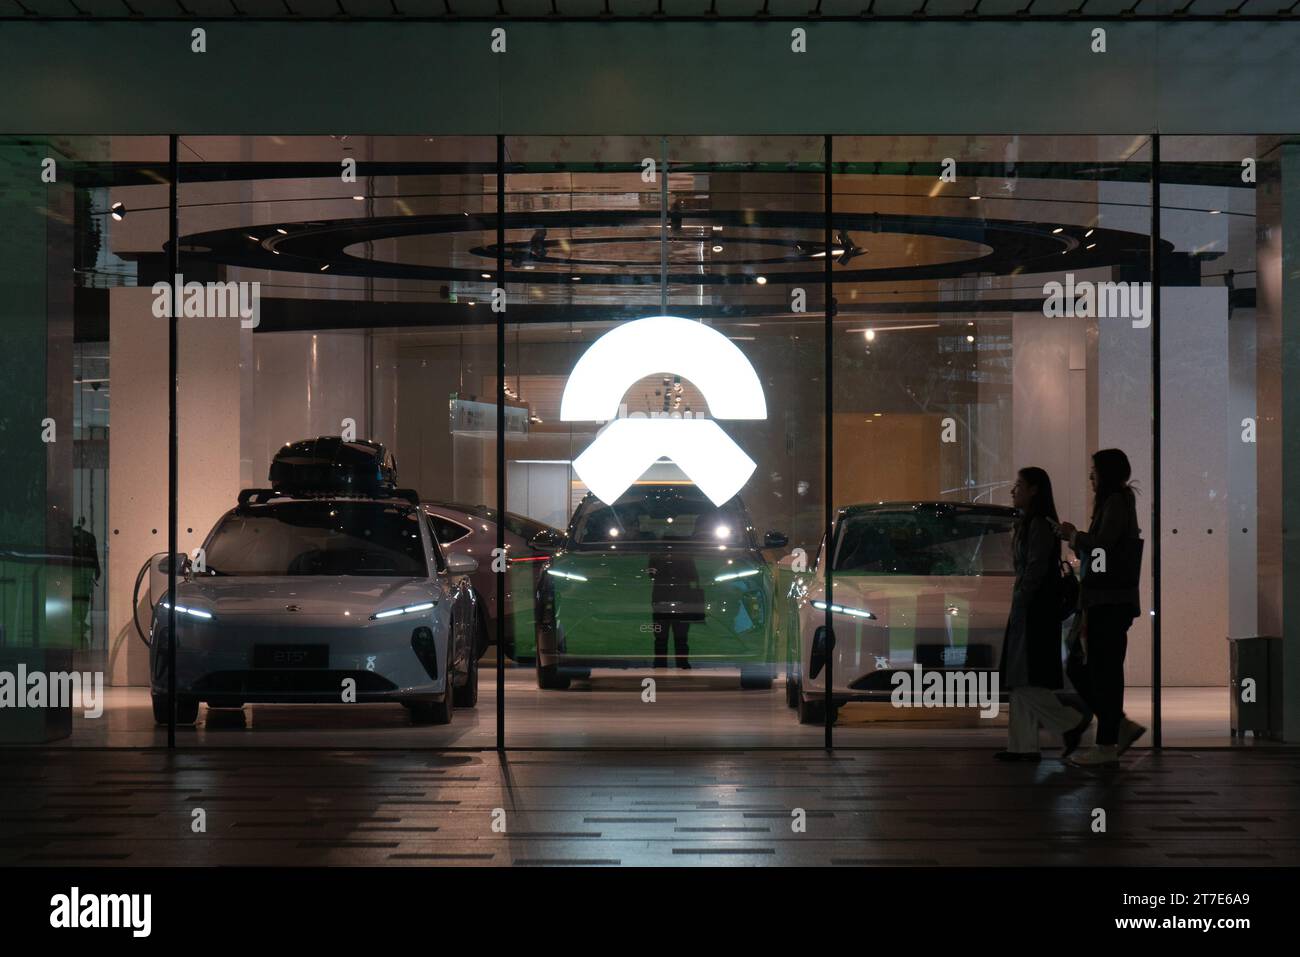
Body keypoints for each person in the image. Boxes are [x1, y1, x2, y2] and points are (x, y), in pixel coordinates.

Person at [1054, 449, 1147, 768]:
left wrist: (1074, 535)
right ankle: (1115, 727)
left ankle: (1109, 739)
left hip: (1108, 601)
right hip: (1108, 601)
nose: (1090, 476)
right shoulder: (1118, 502)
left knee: (1097, 669)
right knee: (1092, 668)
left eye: (1094, 470)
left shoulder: (1116, 503)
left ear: (1106, 472)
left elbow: (1103, 548)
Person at [995, 467, 1086, 762]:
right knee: (1022, 677)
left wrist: (1021, 598)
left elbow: (1034, 569)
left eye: (1019, 485)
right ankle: (1022, 746)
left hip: (1033, 608)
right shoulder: (1031, 523)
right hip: (1029, 606)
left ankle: (1069, 722)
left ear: (1034, 489)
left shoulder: (1038, 525)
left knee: (1025, 676)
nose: (1013, 490)